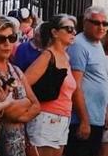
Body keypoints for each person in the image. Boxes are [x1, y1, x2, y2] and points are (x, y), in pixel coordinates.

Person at [0, 11, 41, 156]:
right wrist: (25, 104)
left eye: (11, 38)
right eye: (0, 39)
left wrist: (14, 110)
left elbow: (36, 105)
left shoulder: (16, 70)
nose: (7, 43)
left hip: (20, 143)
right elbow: (9, 112)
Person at [21, 18, 82, 156]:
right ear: (55, 32)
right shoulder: (48, 55)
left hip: (63, 118)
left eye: (74, 29)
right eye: (69, 29)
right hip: (46, 118)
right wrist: (34, 103)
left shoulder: (65, 57)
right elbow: (24, 81)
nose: (73, 32)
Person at [65, 9, 108, 156]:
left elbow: (100, 81)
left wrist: (106, 112)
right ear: (85, 23)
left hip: (96, 118)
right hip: (81, 120)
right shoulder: (79, 45)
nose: (101, 27)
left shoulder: (98, 44)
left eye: (105, 23)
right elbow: (75, 85)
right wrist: (84, 120)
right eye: (96, 23)